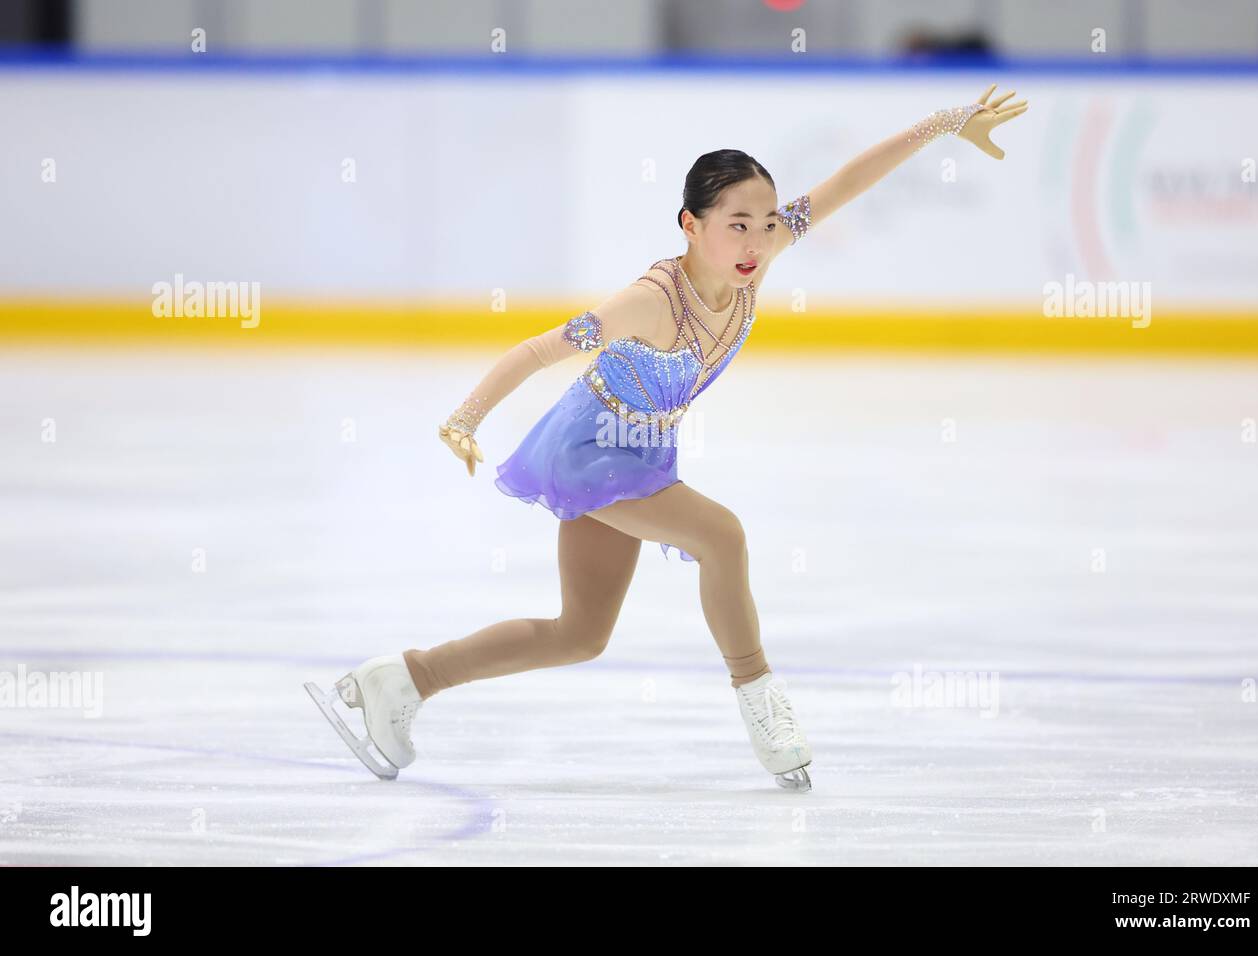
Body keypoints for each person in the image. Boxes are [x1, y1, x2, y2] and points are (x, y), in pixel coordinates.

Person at [306, 83, 1029, 790]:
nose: (754, 240)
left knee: (580, 634)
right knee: (723, 536)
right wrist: (464, 418)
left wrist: (947, 121)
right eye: (735, 224)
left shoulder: (765, 249)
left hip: (640, 452)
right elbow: (540, 349)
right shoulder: (650, 302)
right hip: (590, 453)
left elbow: (849, 180)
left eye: (766, 220)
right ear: (691, 225)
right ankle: (760, 700)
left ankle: (404, 679)